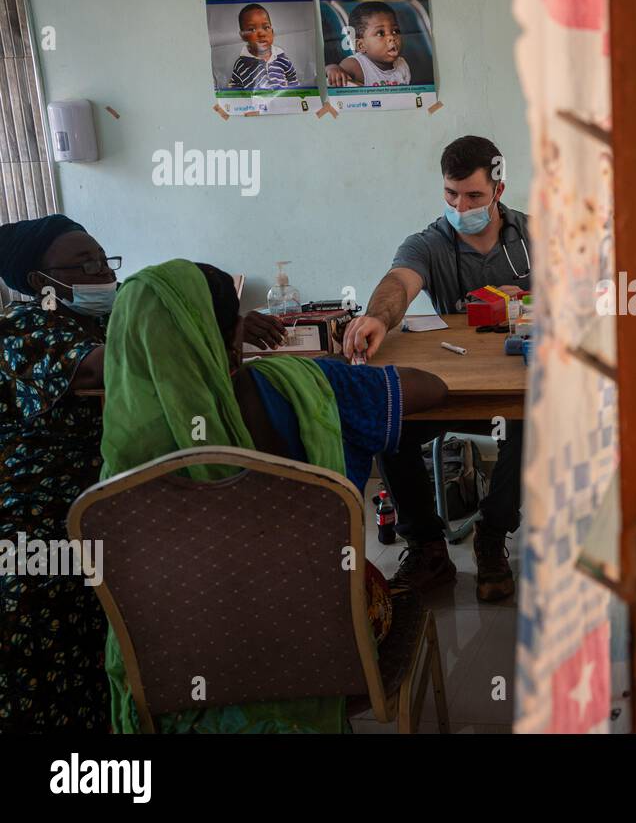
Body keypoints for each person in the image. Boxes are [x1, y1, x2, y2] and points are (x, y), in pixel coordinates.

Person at [97, 259, 449, 732]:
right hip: (321, 646)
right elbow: (432, 389)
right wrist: (315, 373)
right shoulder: (306, 388)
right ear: (234, 341)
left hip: (175, 665)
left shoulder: (115, 469)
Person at [343, 135, 528, 602]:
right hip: (452, 388)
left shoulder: (534, 238)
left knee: (534, 419)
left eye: (473, 196)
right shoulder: (431, 242)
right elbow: (399, 283)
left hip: (512, 390)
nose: (459, 205)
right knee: (386, 419)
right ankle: (426, 546)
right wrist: (377, 317)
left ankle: (492, 535)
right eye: (451, 193)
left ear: (498, 191)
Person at [0, 215, 117, 731]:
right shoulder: (23, 328)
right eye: (81, 264)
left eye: (101, 259)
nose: (99, 272)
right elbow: (98, 368)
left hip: (94, 504)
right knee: (43, 661)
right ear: (38, 283)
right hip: (34, 514)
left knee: (95, 645)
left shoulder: (102, 320)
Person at [326, 1, 410, 87]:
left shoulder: (402, 64)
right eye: (380, 33)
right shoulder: (355, 65)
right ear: (361, 46)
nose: (391, 37)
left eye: (395, 31)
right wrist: (333, 69)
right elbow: (327, 75)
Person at [228, 4, 299, 90]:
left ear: (272, 32)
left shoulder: (282, 59)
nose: (261, 34)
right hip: (254, 103)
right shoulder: (241, 64)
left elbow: (293, 80)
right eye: (252, 29)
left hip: (283, 102)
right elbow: (234, 89)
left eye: (266, 27)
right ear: (243, 35)